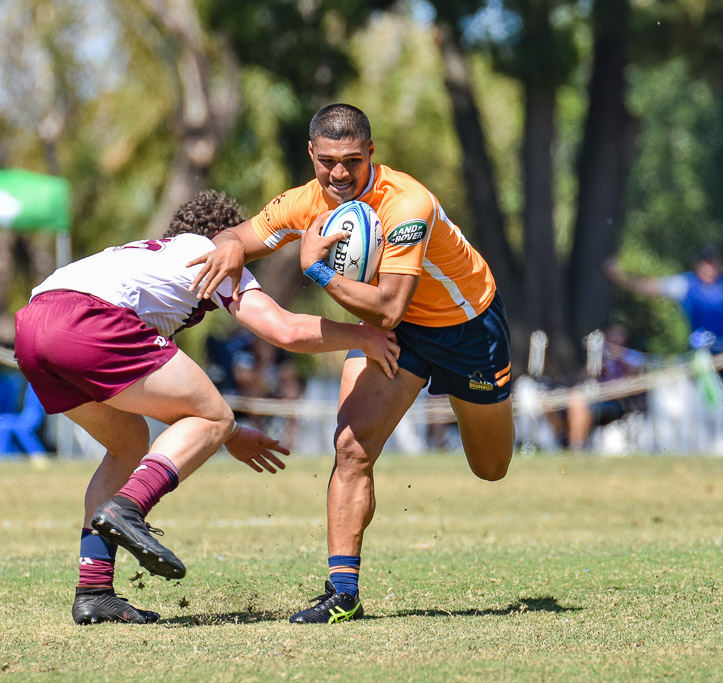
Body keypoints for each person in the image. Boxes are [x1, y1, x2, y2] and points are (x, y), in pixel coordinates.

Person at [188, 104, 515, 624]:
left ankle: (467, 401)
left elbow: (389, 306)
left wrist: (315, 268)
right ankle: (344, 592)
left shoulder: (406, 204)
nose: (339, 174)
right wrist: (228, 247)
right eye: (328, 162)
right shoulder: (305, 201)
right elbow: (238, 236)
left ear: (371, 153)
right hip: (395, 336)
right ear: (312, 154)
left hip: (467, 327)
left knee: (491, 467)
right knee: (351, 446)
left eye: (352, 161)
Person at [13, 190, 400, 626]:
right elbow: (284, 329)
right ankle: (128, 506)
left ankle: (94, 591)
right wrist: (362, 336)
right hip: (89, 320)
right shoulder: (213, 252)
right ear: (223, 234)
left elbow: (173, 401)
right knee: (214, 414)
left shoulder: (143, 256)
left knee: (129, 444)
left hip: (33, 327)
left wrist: (228, 436)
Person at [606, 245, 723, 356]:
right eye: (705, 264)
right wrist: (622, 278)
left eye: (712, 264)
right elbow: (652, 287)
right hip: (701, 353)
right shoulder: (687, 284)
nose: (709, 269)